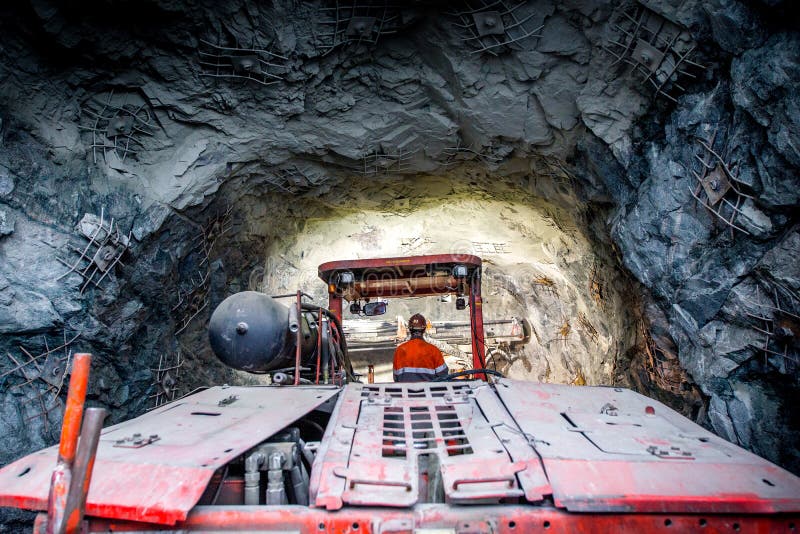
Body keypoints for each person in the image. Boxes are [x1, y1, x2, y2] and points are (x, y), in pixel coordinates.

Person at [393, 313, 448, 382]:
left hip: (406, 391)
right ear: (424, 329)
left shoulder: (400, 350)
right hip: (428, 391)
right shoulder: (433, 350)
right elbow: (443, 375)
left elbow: (396, 377)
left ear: (409, 329)